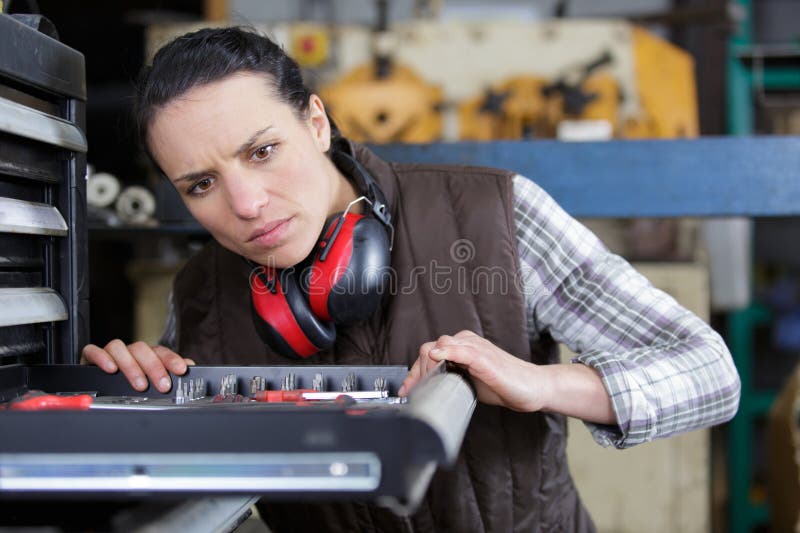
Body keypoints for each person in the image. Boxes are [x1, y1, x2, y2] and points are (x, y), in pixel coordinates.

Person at [82, 26, 741, 532]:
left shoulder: (495, 217)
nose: (246, 203)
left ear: (315, 123)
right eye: (201, 184)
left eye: (262, 151)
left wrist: (543, 384)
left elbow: (711, 373)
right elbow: (201, 499)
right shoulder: (200, 292)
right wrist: (141, 404)